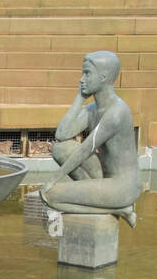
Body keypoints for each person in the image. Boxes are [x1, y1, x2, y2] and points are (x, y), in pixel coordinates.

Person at [40, 50, 141, 227]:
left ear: (103, 77)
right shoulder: (93, 108)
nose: (81, 79)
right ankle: (114, 207)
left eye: (87, 73)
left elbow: (85, 150)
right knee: (60, 148)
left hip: (123, 187)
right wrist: (79, 98)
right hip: (104, 176)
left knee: (50, 195)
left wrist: (52, 181)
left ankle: (119, 207)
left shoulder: (116, 112)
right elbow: (62, 135)